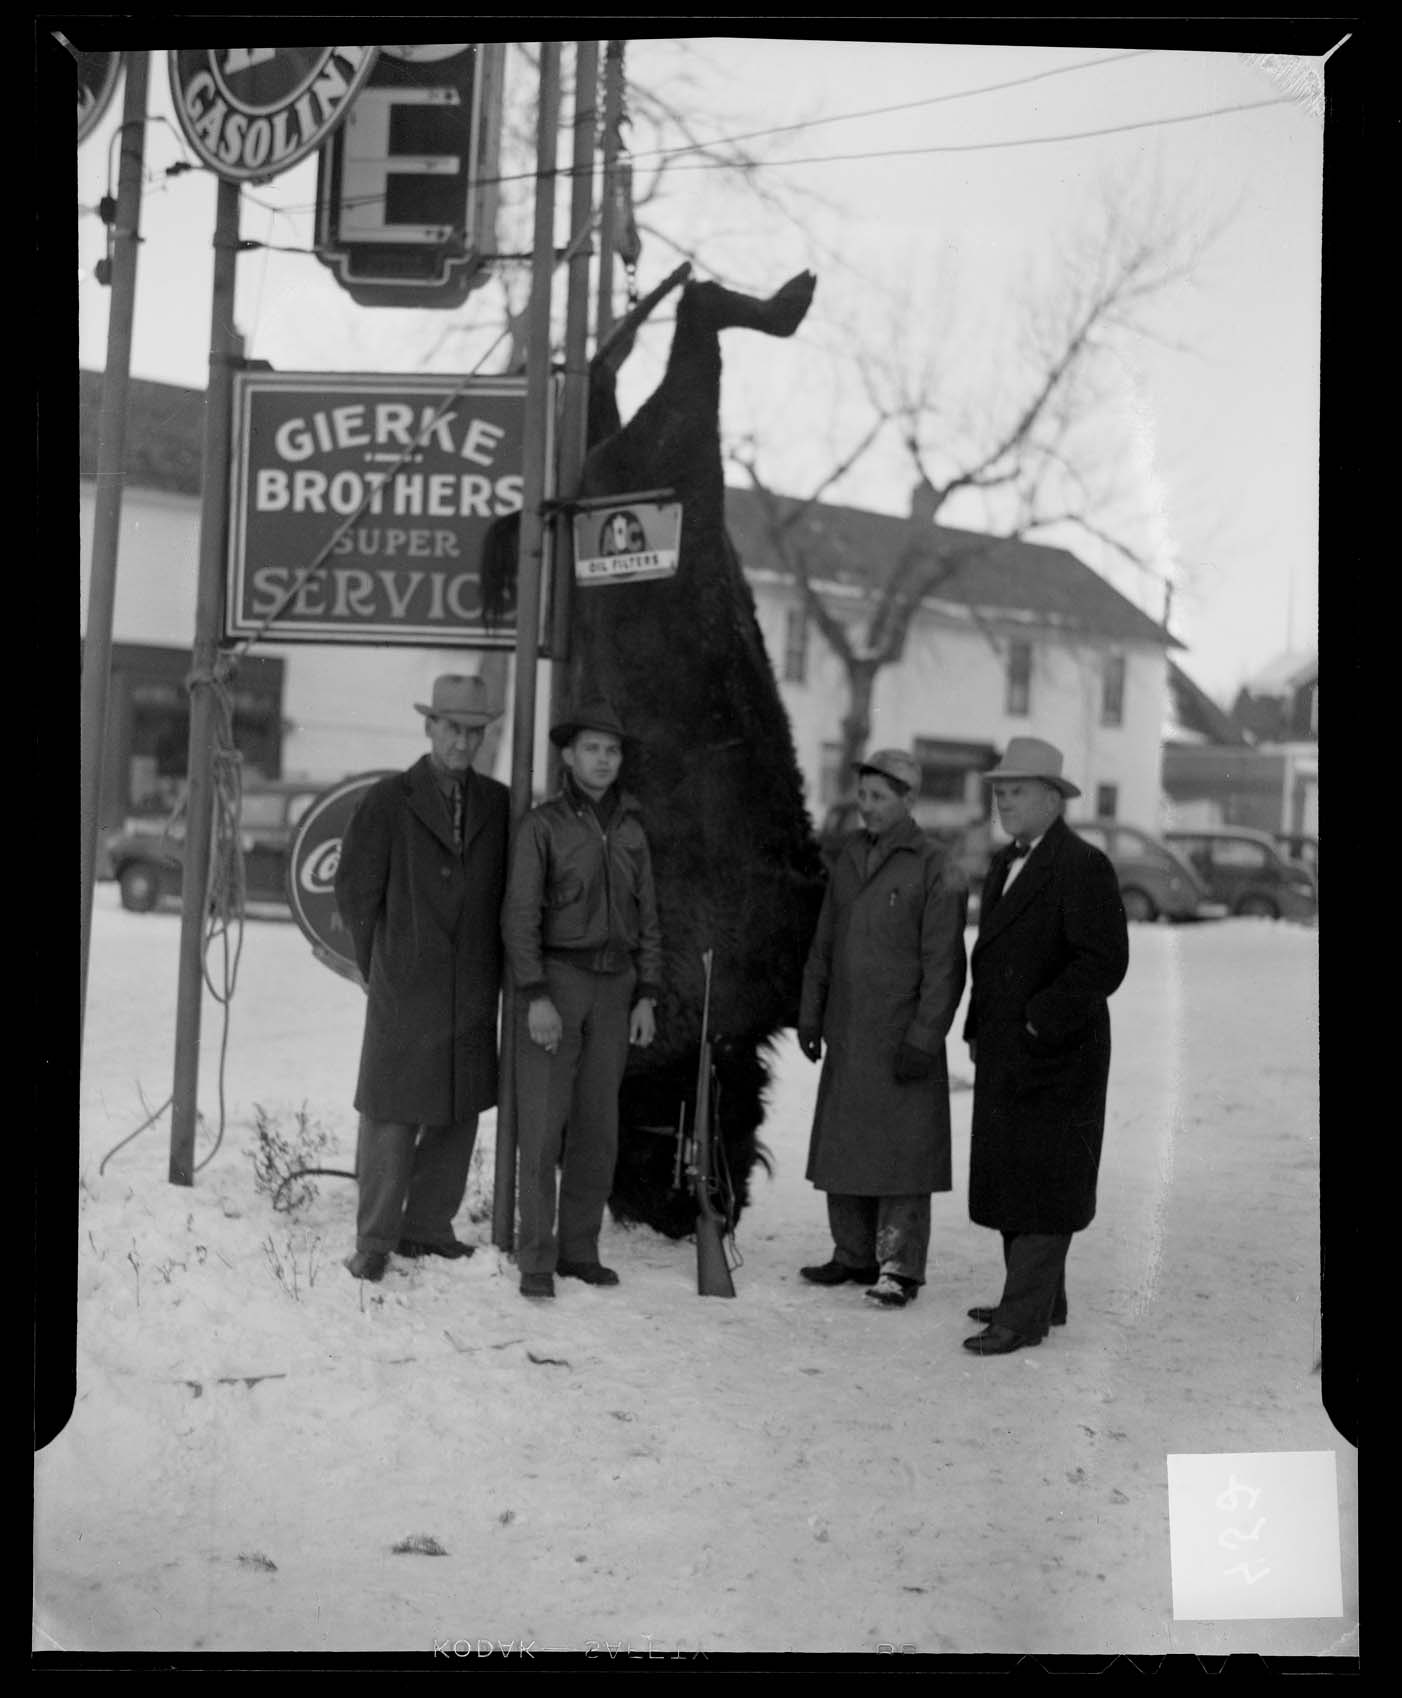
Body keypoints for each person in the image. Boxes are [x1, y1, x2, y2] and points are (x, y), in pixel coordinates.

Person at [334, 675, 509, 1282]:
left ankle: (429, 1227)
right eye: (453, 729)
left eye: (475, 732)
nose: (464, 743)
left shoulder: (498, 804)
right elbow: (355, 890)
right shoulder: (389, 799)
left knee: (458, 1107)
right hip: (404, 982)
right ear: (429, 726)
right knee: (390, 1110)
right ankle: (375, 1238)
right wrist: (379, 960)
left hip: (471, 984)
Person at [962, 736, 1130, 1354]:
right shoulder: (1007, 863)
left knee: (1043, 1181)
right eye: (999, 791)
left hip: (1060, 1058)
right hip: (1009, 1053)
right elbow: (990, 956)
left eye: (1016, 791)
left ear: (1053, 798)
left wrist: (1040, 1019)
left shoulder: (1083, 865)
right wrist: (979, 1026)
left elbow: (1105, 961)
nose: (1003, 802)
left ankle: (1022, 1315)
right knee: (1015, 1176)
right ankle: (1039, 1297)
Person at [501, 698, 662, 1300]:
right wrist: (535, 993)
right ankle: (536, 1257)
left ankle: (579, 1250)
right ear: (568, 757)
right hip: (557, 984)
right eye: (591, 748)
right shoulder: (542, 827)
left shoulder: (630, 831)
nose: (603, 759)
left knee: (599, 1126)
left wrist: (646, 993)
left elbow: (650, 919)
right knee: (543, 1125)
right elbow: (519, 917)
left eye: (612, 750)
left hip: (616, 989)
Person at [797, 749, 969, 1309]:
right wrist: (810, 1011)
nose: (866, 807)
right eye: (863, 796)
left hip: (901, 1037)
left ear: (907, 800)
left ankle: (899, 1266)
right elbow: (824, 942)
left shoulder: (934, 864)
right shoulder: (849, 857)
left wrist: (925, 1036)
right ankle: (852, 1253)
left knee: (902, 1155)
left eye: (879, 797)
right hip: (849, 1030)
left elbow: (945, 962)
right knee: (846, 1143)